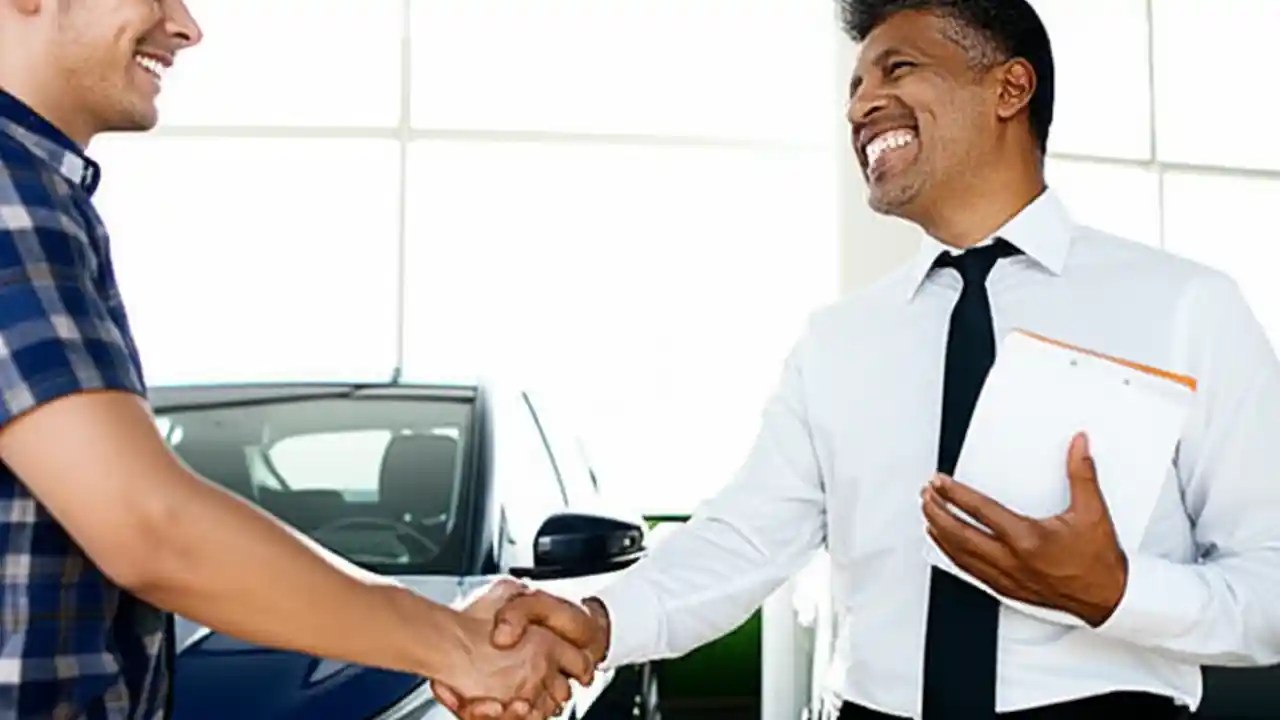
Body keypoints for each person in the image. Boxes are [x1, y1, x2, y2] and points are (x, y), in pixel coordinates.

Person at [438, 0, 1280, 718]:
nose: (861, 107)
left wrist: (1119, 593)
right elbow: (741, 543)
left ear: (1009, 89)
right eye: (854, 88)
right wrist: (600, 619)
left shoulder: (1186, 308)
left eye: (896, 70)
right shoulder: (839, 342)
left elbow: (1272, 586)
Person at [0, 1, 589, 718]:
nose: (185, 26)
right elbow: (150, 526)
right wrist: (457, 644)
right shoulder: (12, 192)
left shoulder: (40, 191)